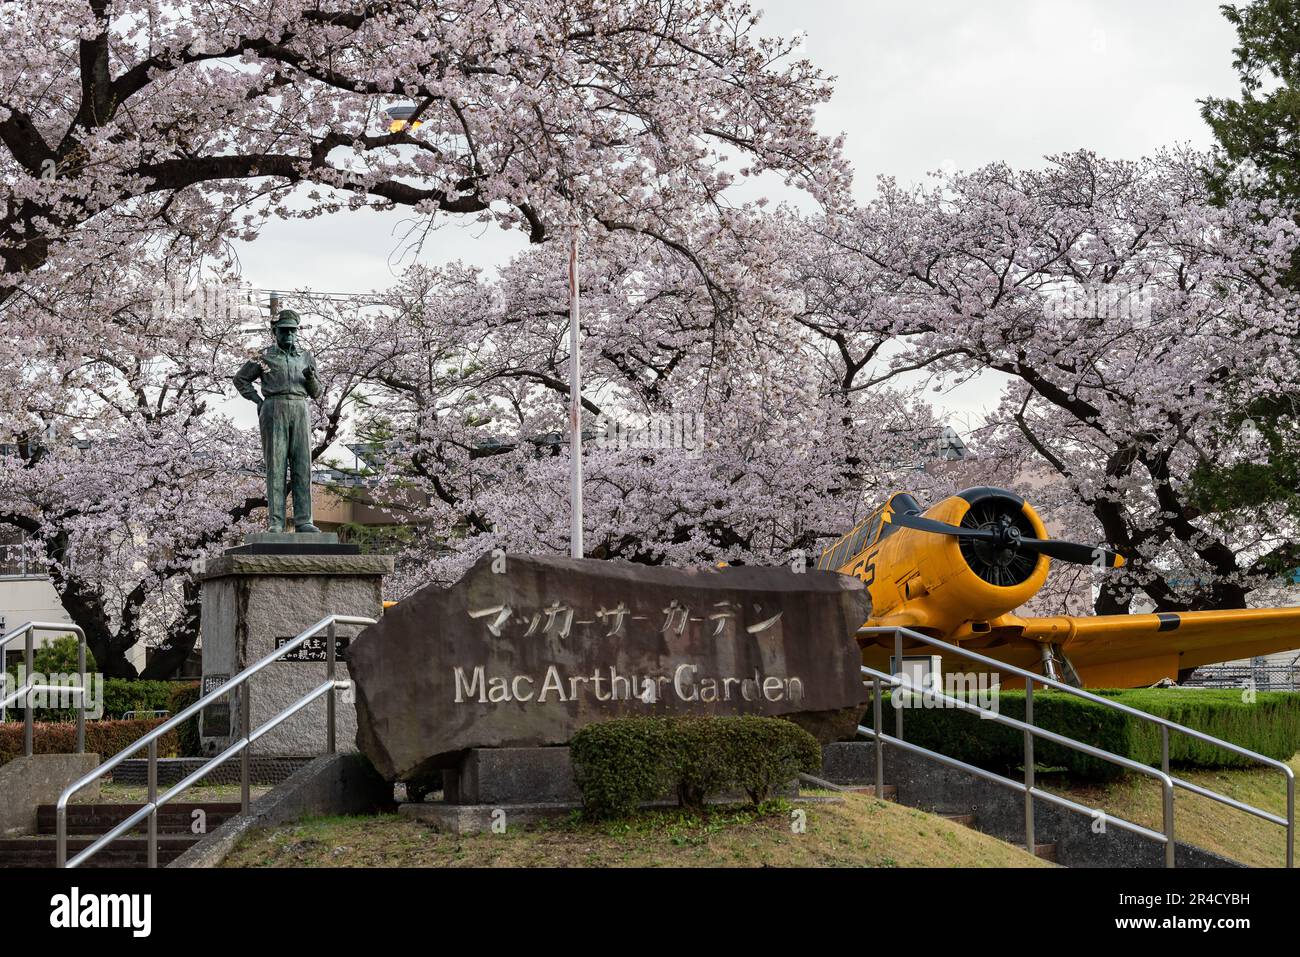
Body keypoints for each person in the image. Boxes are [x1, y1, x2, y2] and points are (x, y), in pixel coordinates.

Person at [233, 309, 324, 532]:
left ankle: (304, 521)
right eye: (284, 330)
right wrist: (258, 400)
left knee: (303, 465)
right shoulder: (263, 356)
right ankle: (276, 522)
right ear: (275, 331)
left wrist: (311, 379)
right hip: (273, 407)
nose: (289, 334)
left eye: (293, 330)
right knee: (276, 466)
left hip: (300, 408)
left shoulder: (306, 357)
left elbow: (317, 392)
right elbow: (241, 379)